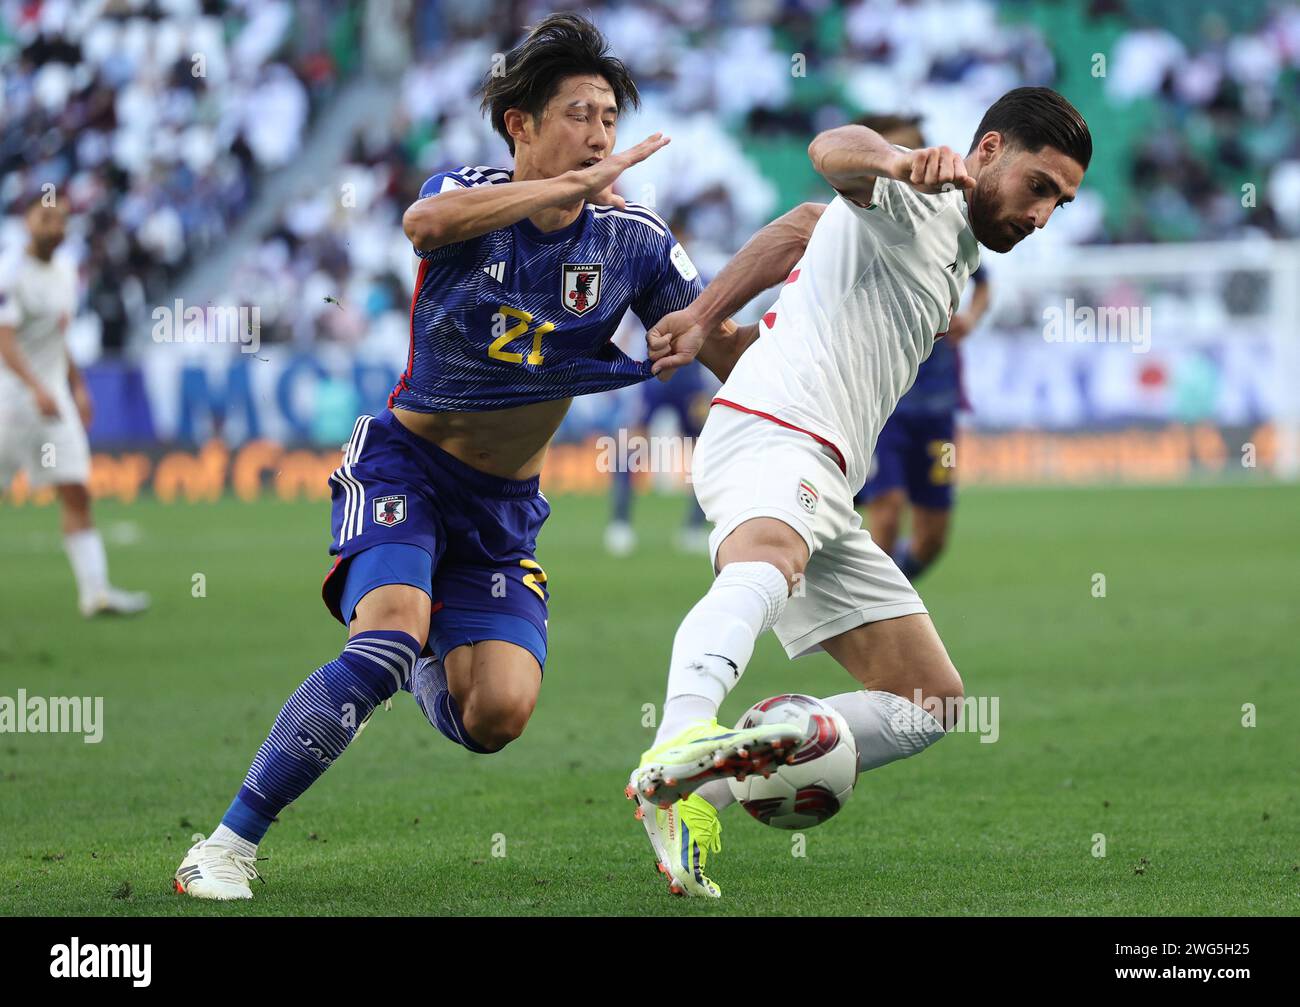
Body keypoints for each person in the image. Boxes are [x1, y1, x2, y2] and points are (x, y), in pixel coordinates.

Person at [174, 12, 821, 901]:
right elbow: (422, 221)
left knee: (497, 715)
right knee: (386, 637)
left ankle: (422, 651)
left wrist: (749, 330)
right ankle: (226, 845)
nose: (600, 135)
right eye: (579, 114)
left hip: (502, 507)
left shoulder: (631, 241)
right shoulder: (470, 194)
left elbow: (726, 354)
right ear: (521, 125)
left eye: (608, 119)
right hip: (405, 466)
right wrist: (556, 195)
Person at [628, 87, 1091, 898]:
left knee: (930, 701)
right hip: (779, 437)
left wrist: (703, 315)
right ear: (987, 153)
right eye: (1040, 186)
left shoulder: (957, 255)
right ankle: (676, 739)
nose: (1044, 214)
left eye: (1061, 200)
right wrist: (896, 159)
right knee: (767, 563)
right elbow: (829, 148)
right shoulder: (919, 196)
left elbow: (802, 227)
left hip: (825, 473)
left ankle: (698, 792)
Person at [850, 115, 992, 581]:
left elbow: (984, 284)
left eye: (915, 149)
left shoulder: (953, 223)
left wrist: (968, 317)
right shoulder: (866, 221)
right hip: (885, 405)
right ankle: (867, 613)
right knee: (886, 513)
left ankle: (887, 602)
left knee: (932, 539)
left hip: (937, 406)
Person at [0, 198, 149, 618]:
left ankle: (95, 593)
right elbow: (4, 339)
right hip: (11, 397)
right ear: (27, 221)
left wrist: (77, 387)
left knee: (76, 489)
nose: (55, 225)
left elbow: (55, 336)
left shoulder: (66, 270)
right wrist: (34, 387)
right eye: (45, 216)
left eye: (61, 218)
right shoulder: (10, 272)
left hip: (53, 397)